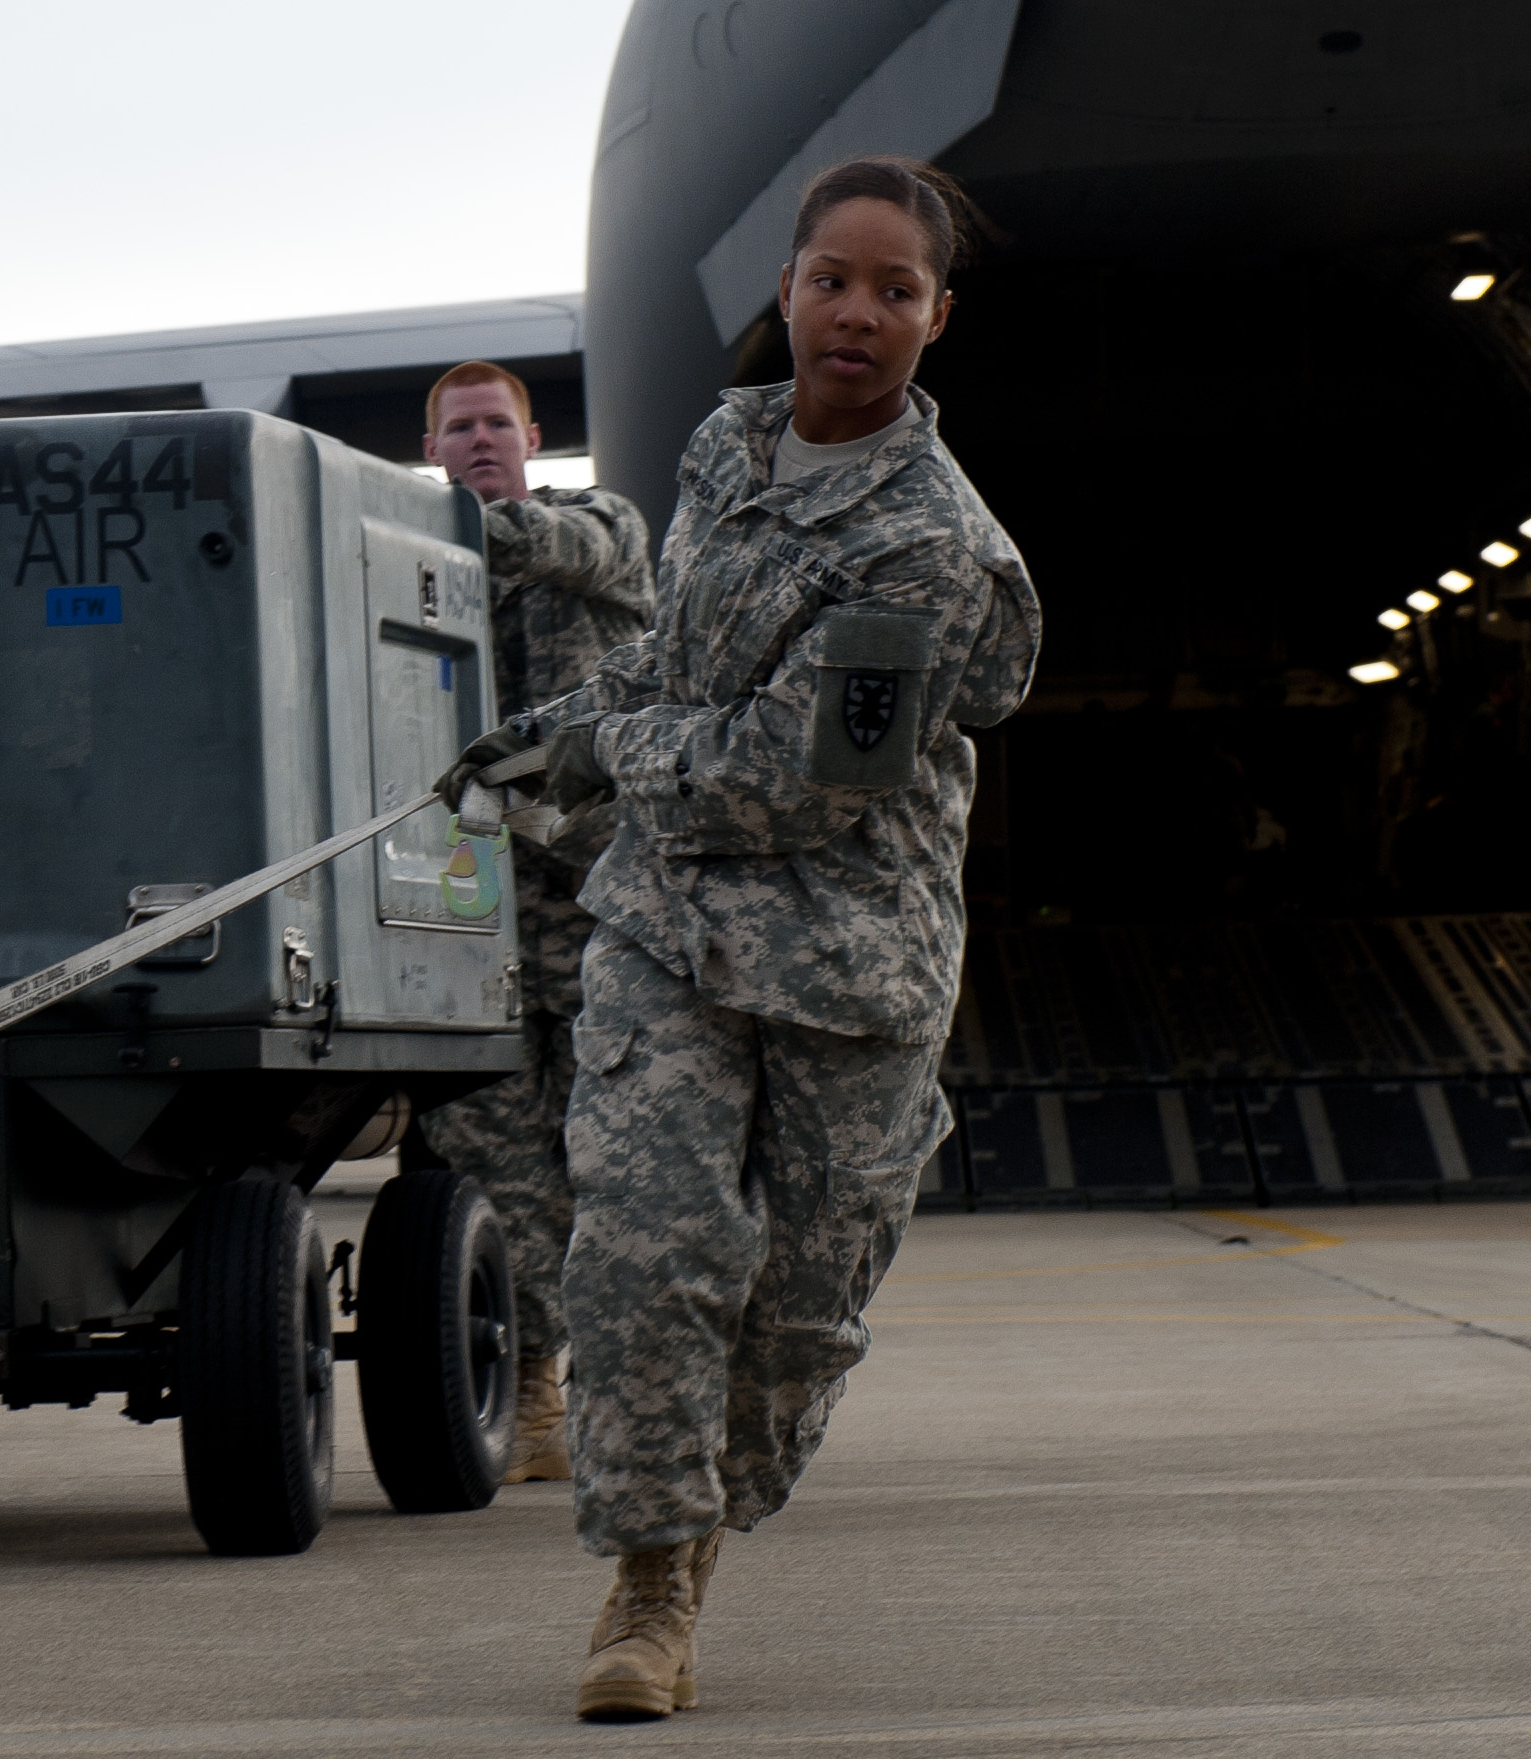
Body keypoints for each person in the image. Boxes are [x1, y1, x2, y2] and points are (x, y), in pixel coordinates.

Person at [440, 156, 1039, 1720]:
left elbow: (796, 781)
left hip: (851, 967)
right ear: (783, 289)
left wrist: (594, 759)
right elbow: (665, 667)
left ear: (933, 319)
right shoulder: (721, 445)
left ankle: (703, 1528)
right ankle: (644, 1577)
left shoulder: (927, 546)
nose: (854, 313)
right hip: (663, 936)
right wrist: (540, 734)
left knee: (793, 1320)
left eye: (891, 289)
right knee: (641, 1254)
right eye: (829, 278)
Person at [414, 363, 652, 1482]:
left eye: (493, 424)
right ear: (431, 447)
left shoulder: (595, 527)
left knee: (628, 1169)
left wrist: (423, 528)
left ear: (531, 436)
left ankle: (649, 1395)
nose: (475, 440)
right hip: (477, 931)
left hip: (612, 919)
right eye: (455, 428)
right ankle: (543, 1391)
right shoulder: (408, 577)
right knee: (503, 1171)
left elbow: (544, 546)